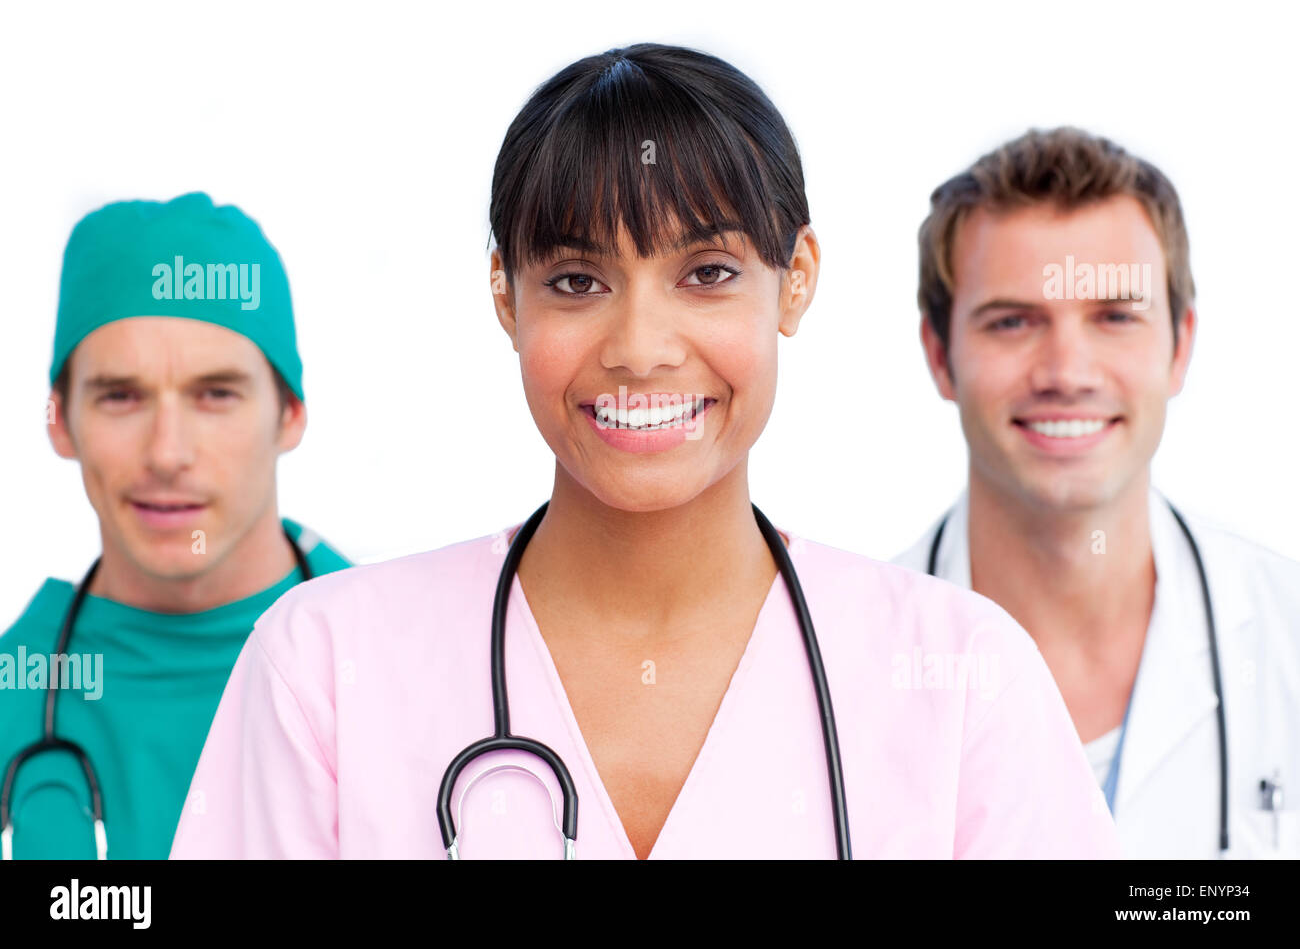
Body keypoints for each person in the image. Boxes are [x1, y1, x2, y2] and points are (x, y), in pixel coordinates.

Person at [170, 46, 1119, 860]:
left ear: (797, 284)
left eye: (707, 274)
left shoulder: (963, 678)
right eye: (578, 280)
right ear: (505, 298)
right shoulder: (324, 666)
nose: (640, 345)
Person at [894, 128, 1300, 858]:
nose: (1067, 370)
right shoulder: (838, 667)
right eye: (1013, 321)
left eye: (1114, 316)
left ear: (1180, 346)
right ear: (939, 355)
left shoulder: (1286, 638)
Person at [0, 192, 350, 859]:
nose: (166, 452)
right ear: (60, 421)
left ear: (291, 413)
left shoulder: (404, 663)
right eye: (120, 396)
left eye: (215, 393)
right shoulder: (11, 695)